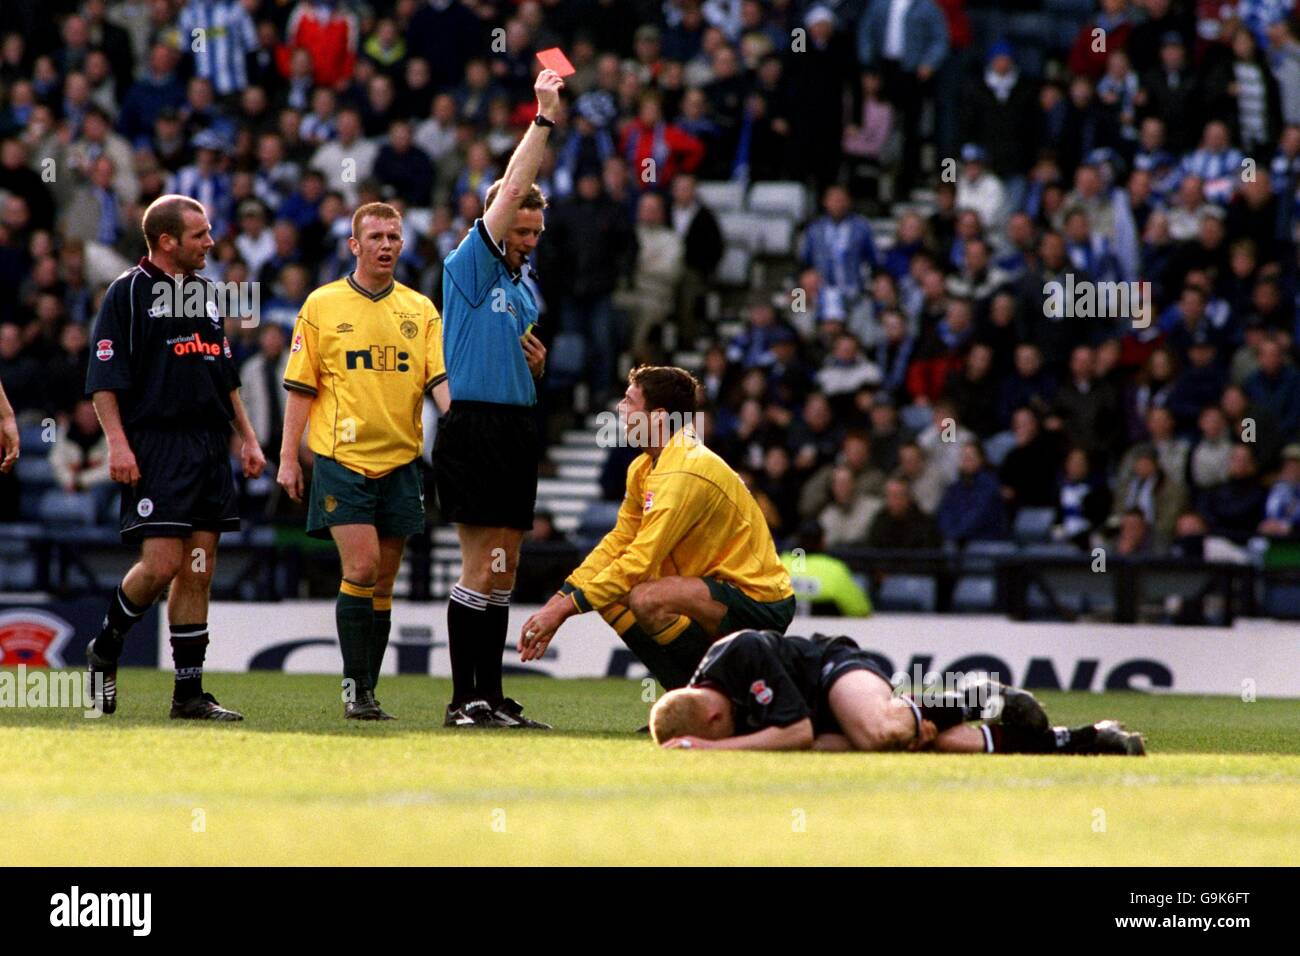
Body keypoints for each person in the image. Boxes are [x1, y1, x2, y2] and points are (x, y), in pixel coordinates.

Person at [84, 194, 265, 720]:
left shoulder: (209, 295)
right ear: (167, 242)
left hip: (210, 445)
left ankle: (188, 694)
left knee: (198, 570)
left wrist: (248, 438)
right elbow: (104, 379)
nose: (211, 242)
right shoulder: (127, 294)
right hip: (158, 444)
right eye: (200, 235)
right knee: (161, 564)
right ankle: (107, 647)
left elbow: (223, 373)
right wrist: (117, 443)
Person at [517, 366, 796, 690]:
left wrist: (565, 610)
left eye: (629, 401)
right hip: (709, 587)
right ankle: (687, 698)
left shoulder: (685, 471)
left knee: (646, 598)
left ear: (659, 416)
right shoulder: (643, 466)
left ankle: (713, 695)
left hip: (758, 599)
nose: (620, 409)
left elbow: (639, 560)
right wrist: (562, 598)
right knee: (608, 595)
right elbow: (619, 542)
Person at [277, 201, 449, 720]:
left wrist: (460, 429)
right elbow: (300, 389)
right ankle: (355, 691)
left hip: (402, 461)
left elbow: (439, 382)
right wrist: (288, 457)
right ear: (354, 245)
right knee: (363, 565)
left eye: (394, 237)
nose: (386, 245)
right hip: (341, 459)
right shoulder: (322, 305)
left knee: (383, 581)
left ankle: (368, 693)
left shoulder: (420, 310)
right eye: (375, 236)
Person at [432, 69, 559, 728]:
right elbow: (512, 184)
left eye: (536, 233)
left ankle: (492, 694)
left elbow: (511, 354)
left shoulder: (523, 285)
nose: (528, 242)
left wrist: (535, 366)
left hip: (514, 425)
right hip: (475, 427)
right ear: (498, 224)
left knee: (504, 570)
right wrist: (543, 119)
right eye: (520, 230)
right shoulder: (470, 264)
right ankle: (463, 699)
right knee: (481, 564)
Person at [649, 630, 1145, 755]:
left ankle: (972, 695)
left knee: (881, 728)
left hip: (833, 673)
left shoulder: (739, 652)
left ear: (711, 722)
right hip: (811, 722)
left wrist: (714, 750)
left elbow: (796, 729)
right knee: (932, 745)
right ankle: (1090, 739)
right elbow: (797, 737)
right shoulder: (701, 710)